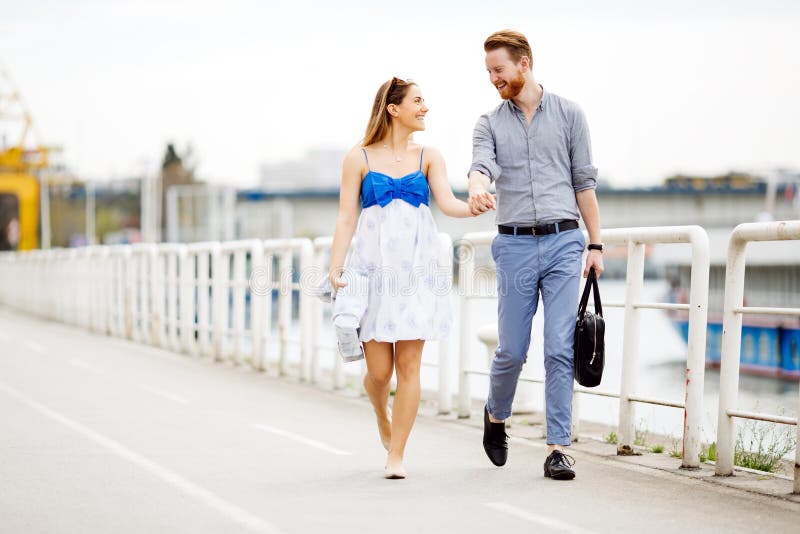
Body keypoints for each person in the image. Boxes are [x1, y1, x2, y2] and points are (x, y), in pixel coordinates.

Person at [467, 30, 604, 480]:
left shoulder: (569, 114)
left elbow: (584, 183)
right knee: (511, 349)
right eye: (489, 71)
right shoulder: (488, 123)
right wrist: (478, 187)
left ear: (523, 64)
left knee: (560, 347)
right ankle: (495, 414)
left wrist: (596, 243)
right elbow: (481, 165)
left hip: (565, 242)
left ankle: (558, 448)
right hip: (514, 245)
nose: (493, 79)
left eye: (499, 70)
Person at [329, 77, 476, 479]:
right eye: (418, 100)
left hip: (417, 272)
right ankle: (381, 411)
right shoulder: (357, 158)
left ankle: (397, 454)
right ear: (393, 108)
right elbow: (346, 217)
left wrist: (475, 206)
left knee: (409, 365)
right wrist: (335, 265)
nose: (425, 107)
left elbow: (447, 203)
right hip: (373, 273)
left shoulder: (430, 155)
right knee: (379, 373)